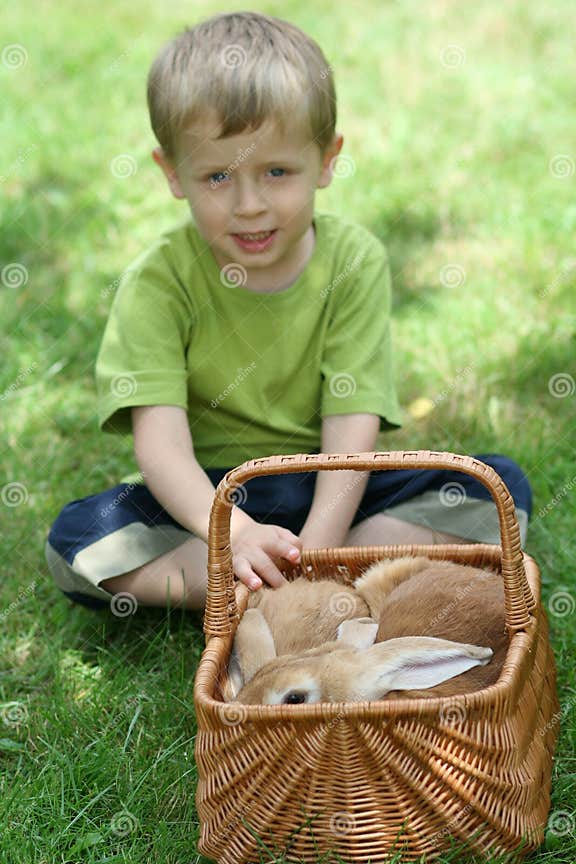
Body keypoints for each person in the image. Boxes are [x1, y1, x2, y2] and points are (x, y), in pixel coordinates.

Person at [44, 11, 532, 614]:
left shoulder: (353, 261)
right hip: (214, 498)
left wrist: (319, 549)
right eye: (218, 175)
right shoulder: (156, 283)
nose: (250, 205)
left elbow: (353, 426)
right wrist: (235, 536)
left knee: (494, 489)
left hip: (338, 488)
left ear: (327, 160)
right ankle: (253, 580)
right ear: (173, 174)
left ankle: (304, 578)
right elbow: (163, 446)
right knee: (78, 541)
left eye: (277, 172)